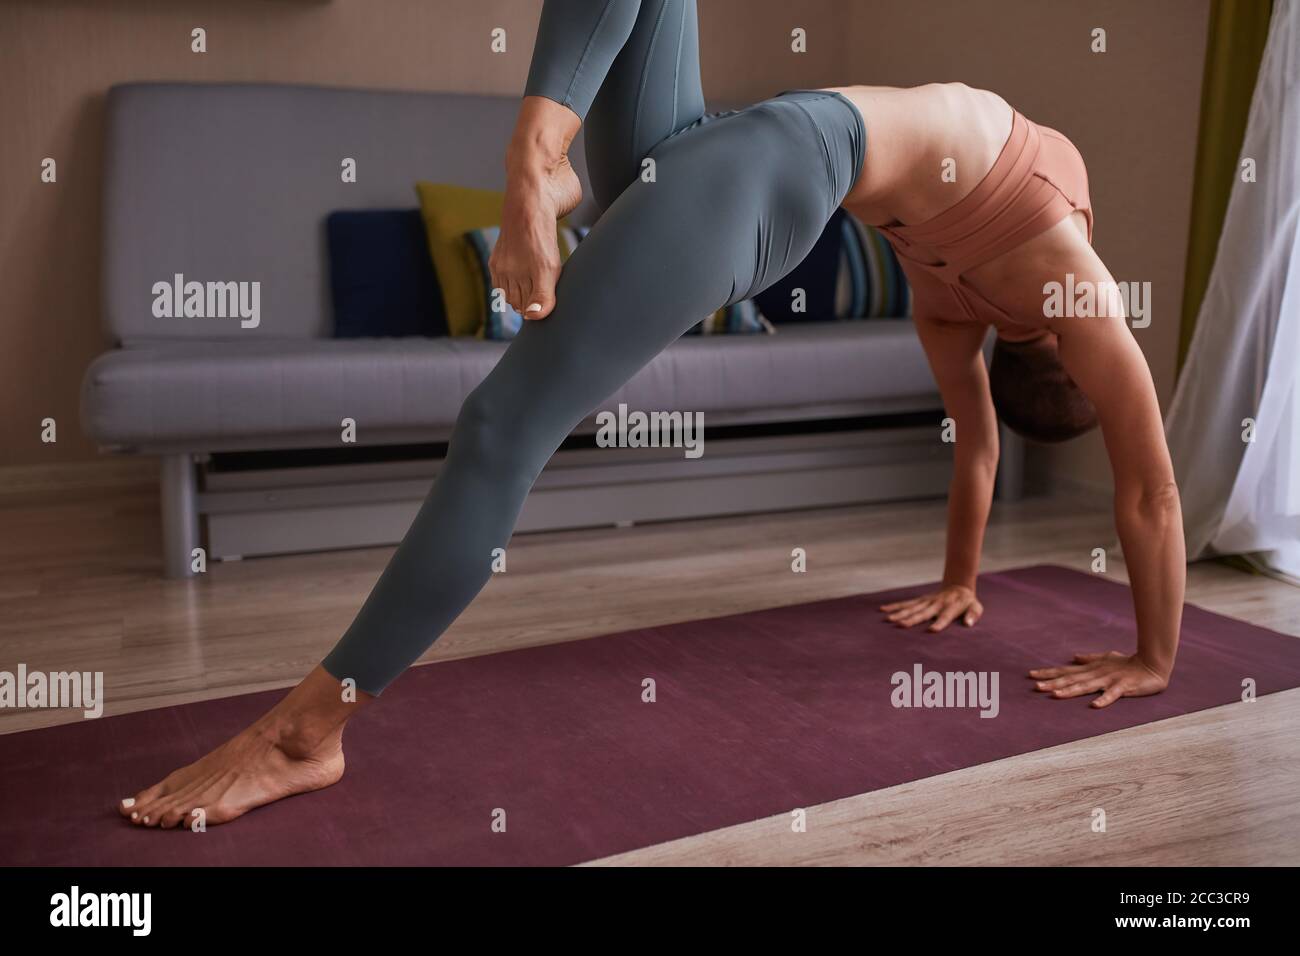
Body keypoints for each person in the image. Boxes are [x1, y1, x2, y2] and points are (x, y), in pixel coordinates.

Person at [117, 0, 1184, 829]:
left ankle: (312, 726)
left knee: (502, 423)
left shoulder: (967, 311)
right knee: (504, 427)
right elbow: (1145, 485)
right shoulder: (1066, 273)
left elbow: (980, 443)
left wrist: (966, 582)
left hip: (759, 173)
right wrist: (1155, 656)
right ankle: (537, 164)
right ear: (1062, 370)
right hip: (738, 154)